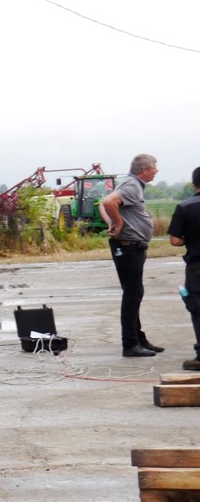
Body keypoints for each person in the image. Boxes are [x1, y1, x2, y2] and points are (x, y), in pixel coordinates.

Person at [100, 153, 162, 357]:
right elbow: (109, 202)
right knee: (132, 295)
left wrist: (113, 222)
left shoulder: (130, 184)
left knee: (134, 293)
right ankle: (130, 344)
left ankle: (138, 338)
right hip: (128, 247)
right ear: (144, 169)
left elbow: (103, 203)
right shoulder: (132, 185)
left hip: (131, 246)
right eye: (154, 167)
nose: (156, 171)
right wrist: (118, 223)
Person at [168, 166, 200, 371]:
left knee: (198, 309)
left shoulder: (185, 207)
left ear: (193, 184)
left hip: (197, 267)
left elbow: (175, 240)